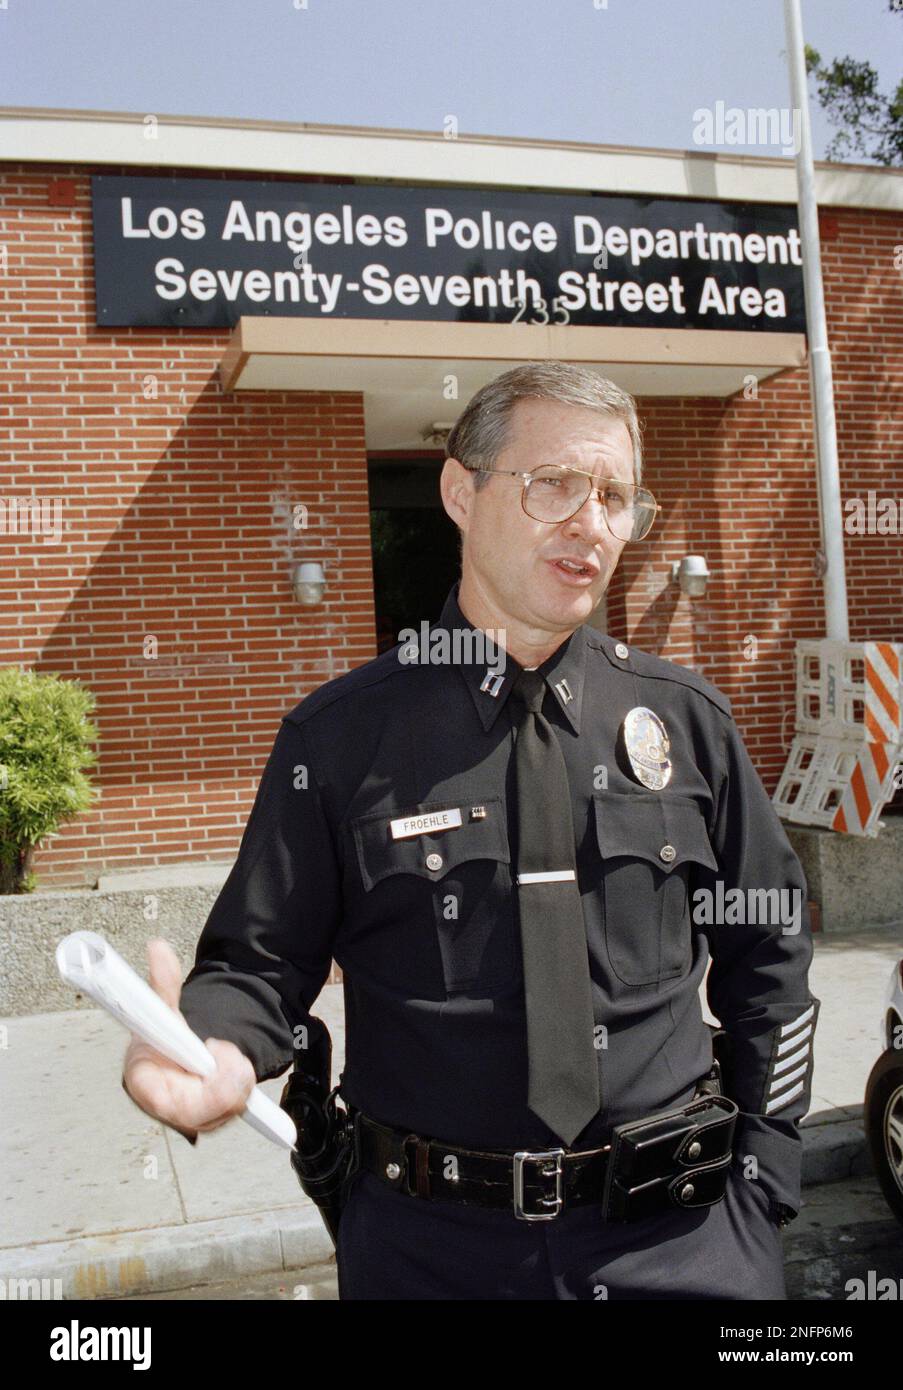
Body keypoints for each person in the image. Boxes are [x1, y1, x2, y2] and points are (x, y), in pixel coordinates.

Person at [122, 361, 818, 1300]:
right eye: (556, 485)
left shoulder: (687, 722)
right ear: (461, 490)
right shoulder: (338, 741)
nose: (592, 523)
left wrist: (764, 1183)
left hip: (687, 1242)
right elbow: (258, 964)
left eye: (616, 497)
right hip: (431, 1254)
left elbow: (768, 957)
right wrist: (215, 1048)